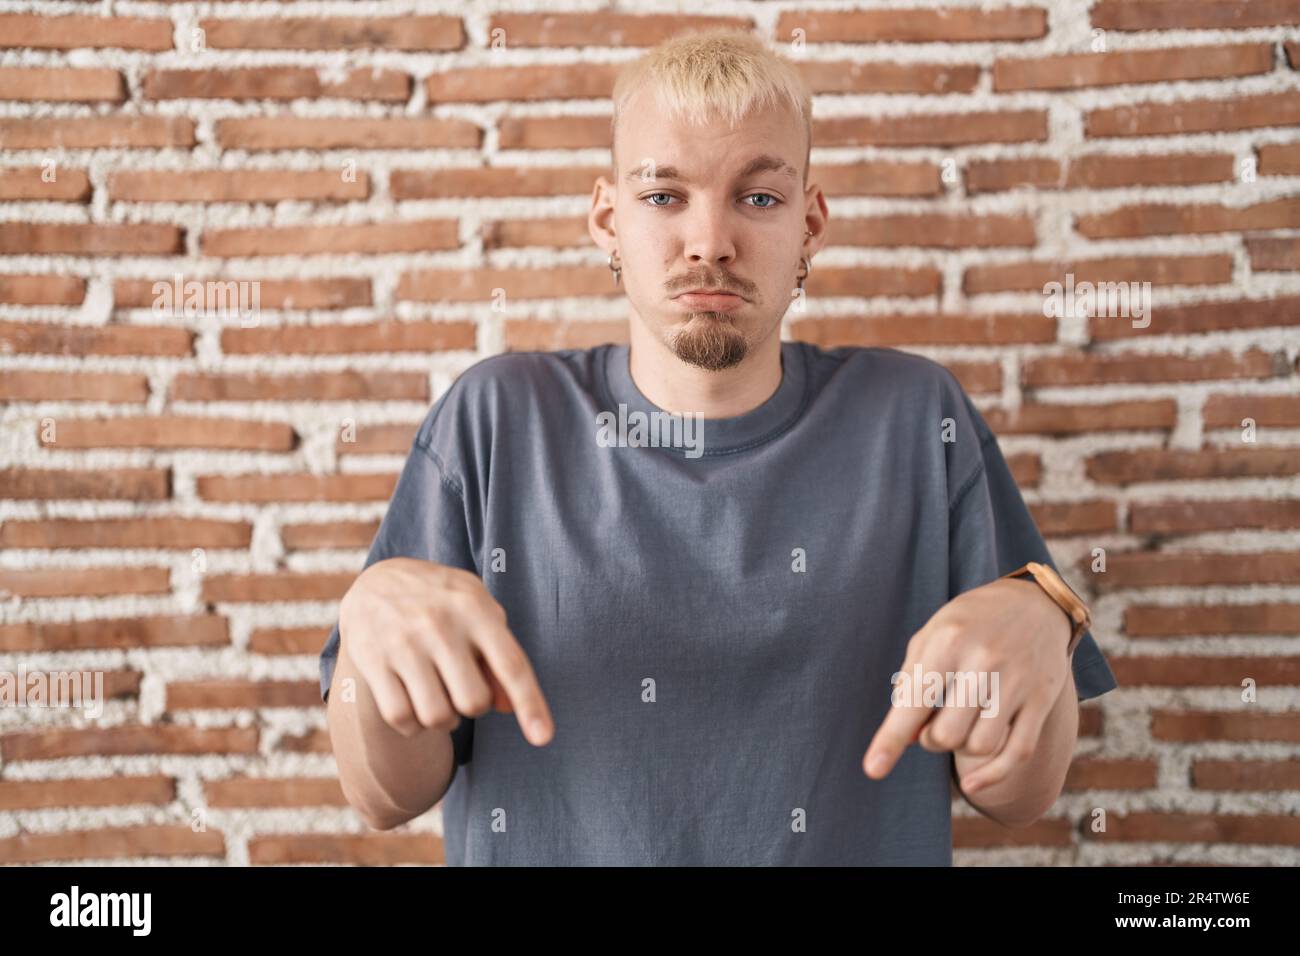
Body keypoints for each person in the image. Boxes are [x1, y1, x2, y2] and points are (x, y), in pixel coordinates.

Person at [318, 28, 1118, 866]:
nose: (710, 242)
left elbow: (1016, 796)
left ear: (811, 222)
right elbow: (386, 795)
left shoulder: (916, 417)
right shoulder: (493, 419)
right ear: (607, 221)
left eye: (758, 199)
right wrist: (366, 619)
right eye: (664, 196)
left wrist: (1049, 617)